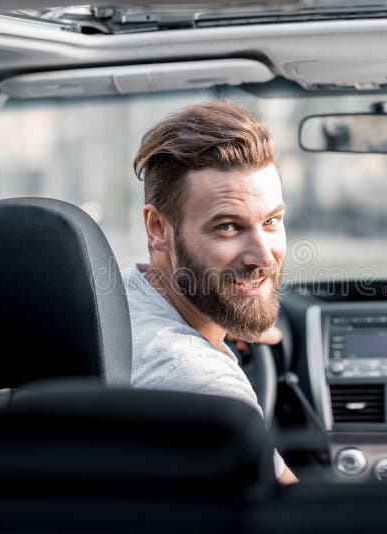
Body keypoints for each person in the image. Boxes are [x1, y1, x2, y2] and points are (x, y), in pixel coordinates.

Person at [124, 100, 298, 484]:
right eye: (228, 227)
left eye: (271, 221)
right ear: (158, 229)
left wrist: (222, 329)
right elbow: (295, 511)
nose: (262, 256)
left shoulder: (117, 298)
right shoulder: (200, 382)